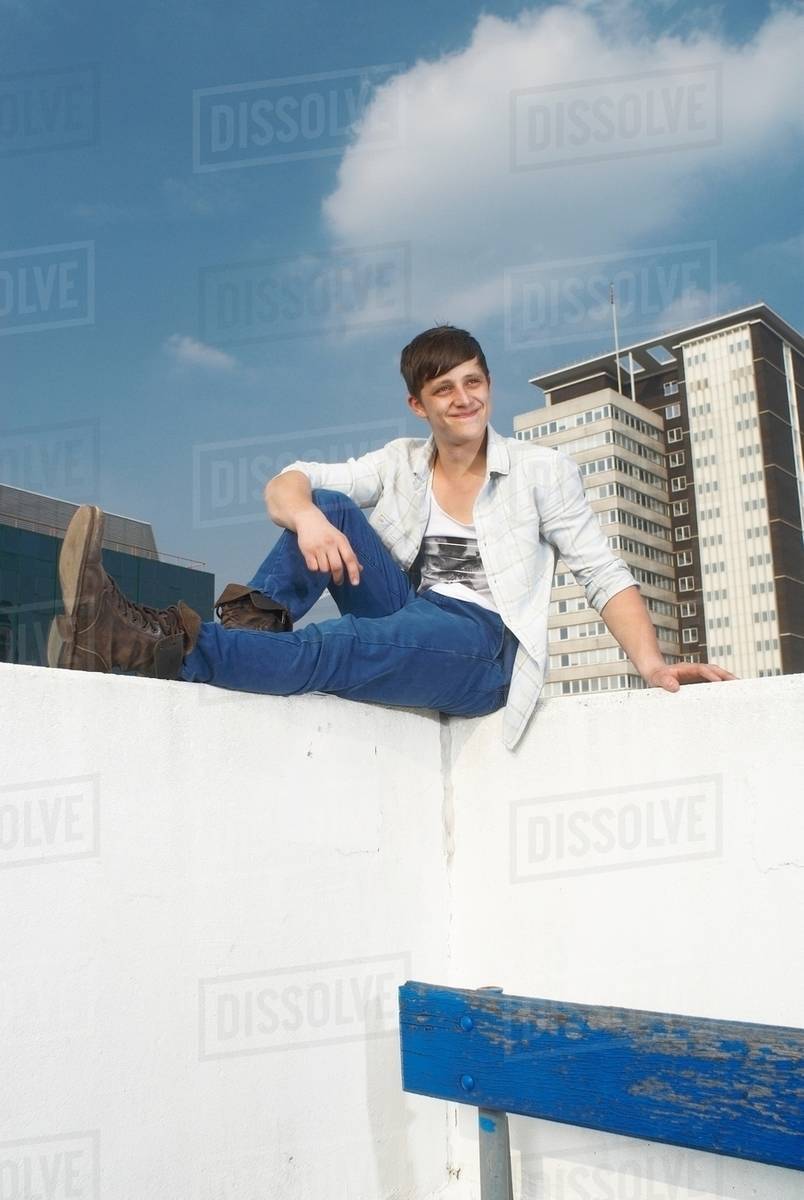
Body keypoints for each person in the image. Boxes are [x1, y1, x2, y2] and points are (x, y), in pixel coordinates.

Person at [47, 324, 736, 751]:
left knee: (343, 644)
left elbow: (602, 572)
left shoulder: (540, 471)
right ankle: (253, 635)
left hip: (481, 648)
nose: (464, 399)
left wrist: (652, 665)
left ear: (488, 385)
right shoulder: (401, 462)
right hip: (413, 609)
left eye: (474, 382)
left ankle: (145, 643)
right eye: (445, 390)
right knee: (330, 505)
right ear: (418, 404)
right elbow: (287, 482)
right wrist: (308, 518)